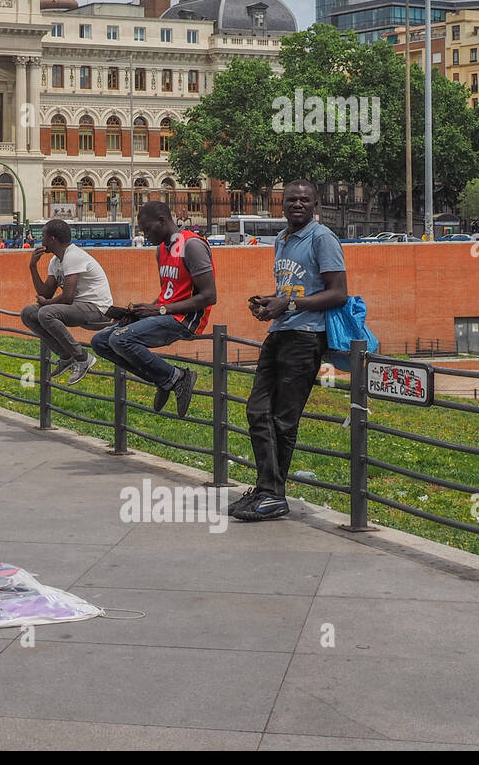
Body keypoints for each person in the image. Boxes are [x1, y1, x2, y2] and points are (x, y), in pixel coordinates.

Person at [234, 181, 348, 523]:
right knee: (257, 411)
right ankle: (267, 489)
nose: (297, 204)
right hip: (280, 331)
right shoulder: (282, 240)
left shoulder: (321, 238)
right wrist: (272, 301)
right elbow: (291, 289)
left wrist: (290, 303)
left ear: (315, 204)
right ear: (280, 204)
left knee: (283, 418)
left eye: (304, 199)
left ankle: (272, 494)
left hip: (307, 336)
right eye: (290, 200)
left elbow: (339, 292)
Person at [90, 201, 216, 418]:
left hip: (185, 320)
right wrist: (140, 311)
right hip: (166, 313)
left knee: (120, 340)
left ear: (162, 220)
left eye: (147, 229)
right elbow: (170, 293)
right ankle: (165, 379)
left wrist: (159, 310)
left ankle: (177, 378)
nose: (145, 234)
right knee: (100, 342)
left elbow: (209, 296)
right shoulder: (161, 250)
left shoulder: (193, 245)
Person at [22, 218, 113, 385]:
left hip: (98, 310)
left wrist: (46, 304)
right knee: (28, 313)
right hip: (78, 308)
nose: (40, 240)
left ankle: (83, 358)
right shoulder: (56, 261)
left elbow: (67, 297)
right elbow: (45, 293)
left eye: (43, 236)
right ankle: (66, 357)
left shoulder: (73, 256)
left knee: (45, 313)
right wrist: (32, 267)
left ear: (52, 239)